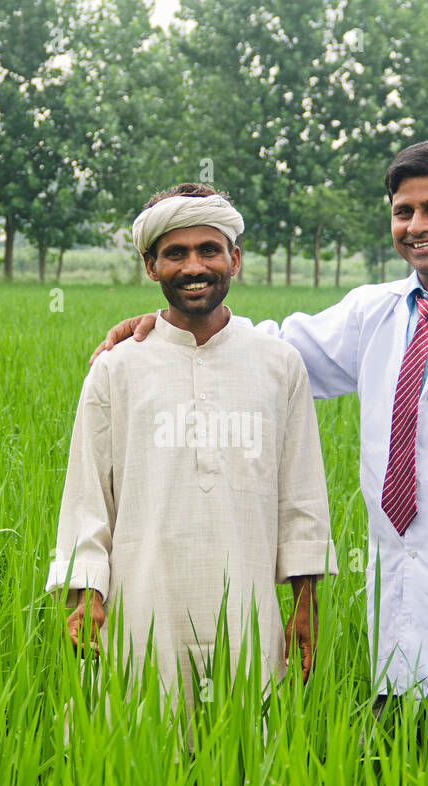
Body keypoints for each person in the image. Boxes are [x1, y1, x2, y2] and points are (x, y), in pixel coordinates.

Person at [92, 142, 428, 742]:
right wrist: (166, 331)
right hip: (400, 607)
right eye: (403, 212)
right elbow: (271, 356)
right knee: (401, 783)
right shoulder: (377, 312)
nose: (417, 227)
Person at [47, 182, 338, 717]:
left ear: (236, 259)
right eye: (175, 253)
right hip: (141, 610)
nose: (194, 266)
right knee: (137, 757)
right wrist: (84, 593)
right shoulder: (116, 369)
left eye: (209, 250)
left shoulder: (278, 365)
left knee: (248, 760)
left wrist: (305, 604)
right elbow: (88, 495)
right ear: (150, 266)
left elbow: (301, 498)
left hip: (248, 613)